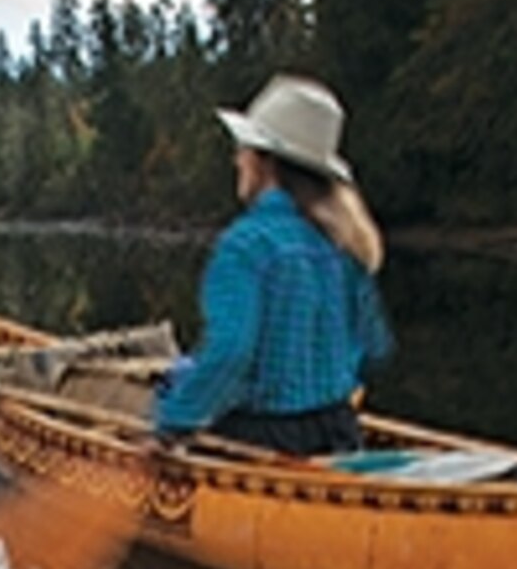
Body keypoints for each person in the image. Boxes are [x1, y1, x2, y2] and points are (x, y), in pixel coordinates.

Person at [154, 74, 392, 457]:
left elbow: (231, 354)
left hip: (261, 441)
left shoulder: (248, 244)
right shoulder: (343, 241)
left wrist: (171, 424)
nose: (236, 159)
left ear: (265, 162)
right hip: (339, 432)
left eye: (242, 149)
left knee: (176, 394)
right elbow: (372, 346)